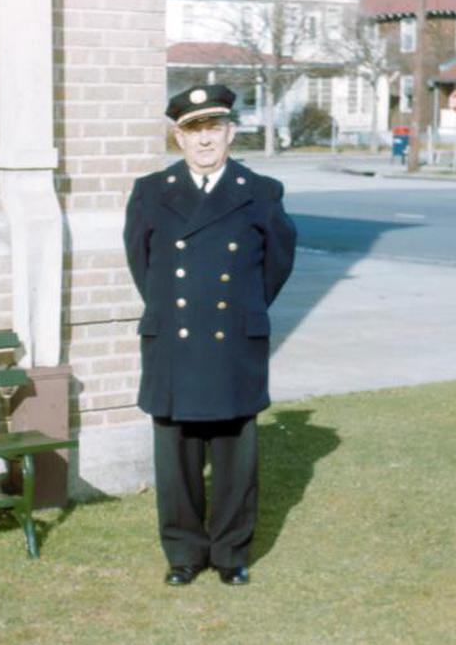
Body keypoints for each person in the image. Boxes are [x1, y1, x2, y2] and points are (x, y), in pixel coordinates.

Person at [123, 84, 297, 586]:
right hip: (173, 345)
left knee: (234, 457)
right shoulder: (150, 191)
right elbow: (143, 266)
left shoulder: (260, 191)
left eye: (213, 128)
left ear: (230, 133)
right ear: (177, 137)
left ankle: (230, 554)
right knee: (175, 459)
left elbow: (275, 267)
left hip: (232, 344)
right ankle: (183, 554)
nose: (204, 140)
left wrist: (239, 310)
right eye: (193, 130)